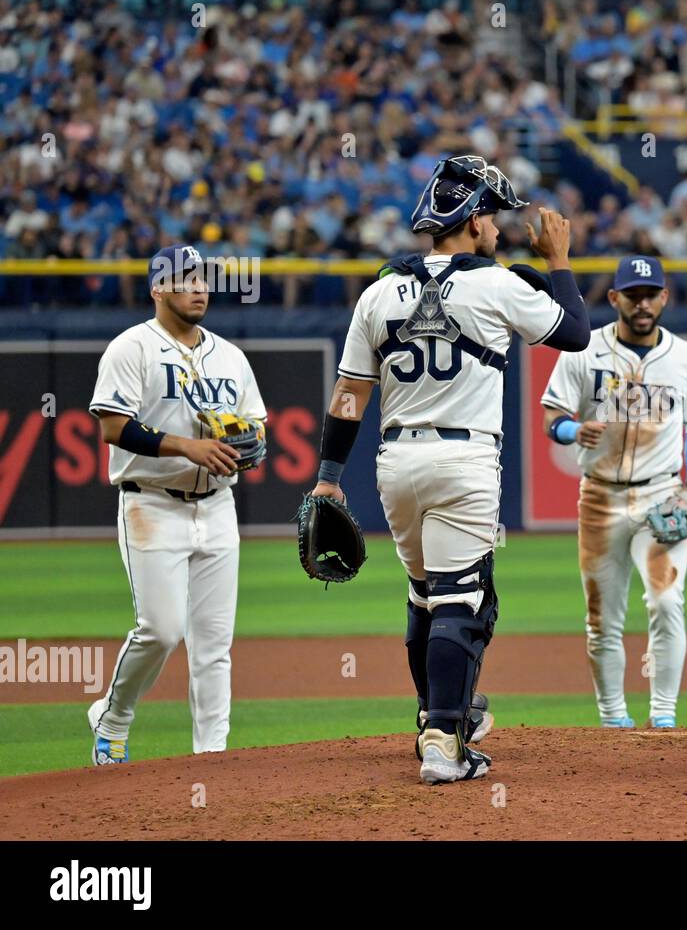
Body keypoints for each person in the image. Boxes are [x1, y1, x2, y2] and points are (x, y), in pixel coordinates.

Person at [307, 156, 590, 784]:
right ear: (471, 220)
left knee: (427, 595)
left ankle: (442, 713)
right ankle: (443, 740)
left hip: (395, 463)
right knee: (464, 599)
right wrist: (560, 262)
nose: (498, 227)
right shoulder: (494, 283)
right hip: (463, 458)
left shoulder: (380, 291)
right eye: (490, 215)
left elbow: (349, 396)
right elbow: (574, 334)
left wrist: (329, 474)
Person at [87, 245, 267, 764]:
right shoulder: (131, 348)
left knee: (214, 646)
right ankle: (113, 716)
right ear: (158, 289)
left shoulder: (230, 355)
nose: (198, 286)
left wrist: (249, 444)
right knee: (161, 631)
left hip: (216, 507)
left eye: (203, 278)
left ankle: (212, 755)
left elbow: (256, 425)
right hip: (151, 505)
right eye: (185, 278)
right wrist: (186, 445)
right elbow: (112, 427)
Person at [541, 254, 687, 729]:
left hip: (662, 494)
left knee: (665, 602)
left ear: (664, 297)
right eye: (632, 295)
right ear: (615, 297)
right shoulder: (582, 350)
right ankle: (613, 721)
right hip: (599, 498)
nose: (642, 304)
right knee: (602, 620)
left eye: (650, 294)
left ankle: (663, 716)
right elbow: (551, 418)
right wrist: (570, 432)